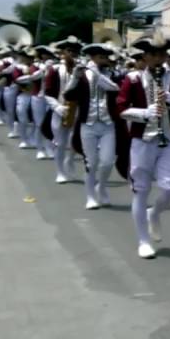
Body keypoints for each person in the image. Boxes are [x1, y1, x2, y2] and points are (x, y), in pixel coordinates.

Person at [116, 33, 170, 259]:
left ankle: (154, 213)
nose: (158, 59)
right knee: (141, 191)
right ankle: (144, 241)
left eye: (162, 54)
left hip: (168, 140)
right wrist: (145, 113)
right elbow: (121, 109)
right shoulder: (133, 79)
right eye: (153, 55)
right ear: (145, 57)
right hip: (142, 141)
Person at [67, 42, 120, 210]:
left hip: (107, 124)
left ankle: (101, 187)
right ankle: (90, 196)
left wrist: (96, 73)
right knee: (91, 163)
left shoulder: (113, 75)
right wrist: (74, 78)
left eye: (105, 57)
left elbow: (115, 89)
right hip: (88, 124)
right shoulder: (82, 75)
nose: (104, 60)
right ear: (92, 58)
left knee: (108, 161)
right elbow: (68, 95)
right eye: (100, 57)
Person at [44, 38, 84, 184]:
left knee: (75, 141)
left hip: (78, 109)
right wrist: (57, 107)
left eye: (75, 52)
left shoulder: (83, 69)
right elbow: (47, 93)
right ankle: (60, 171)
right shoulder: (55, 70)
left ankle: (70, 160)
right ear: (64, 52)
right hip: (60, 109)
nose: (72, 54)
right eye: (69, 51)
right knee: (60, 143)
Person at [31, 45, 58, 161]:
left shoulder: (56, 66)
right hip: (38, 97)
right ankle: (40, 149)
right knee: (39, 124)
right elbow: (33, 77)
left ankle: (49, 148)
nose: (47, 56)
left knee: (50, 124)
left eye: (49, 54)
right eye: (44, 54)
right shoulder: (36, 65)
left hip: (51, 97)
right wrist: (45, 69)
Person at [14, 49, 44, 150]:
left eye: (30, 57)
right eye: (25, 57)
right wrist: (30, 77)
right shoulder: (18, 67)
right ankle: (24, 139)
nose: (27, 59)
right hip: (24, 94)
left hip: (36, 95)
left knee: (37, 120)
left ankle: (33, 138)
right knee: (22, 118)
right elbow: (17, 79)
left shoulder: (37, 67)